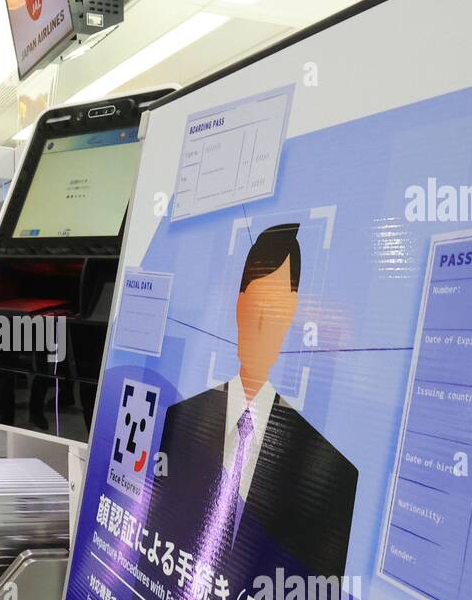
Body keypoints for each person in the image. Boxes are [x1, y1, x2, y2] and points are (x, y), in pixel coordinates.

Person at [150, 223, 358, 579]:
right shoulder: (182, 421)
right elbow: (153, 549)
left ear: (291, 317)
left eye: (277, 310)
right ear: (239, 305)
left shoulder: (332, 474)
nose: (263, 322)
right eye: (257, 304)